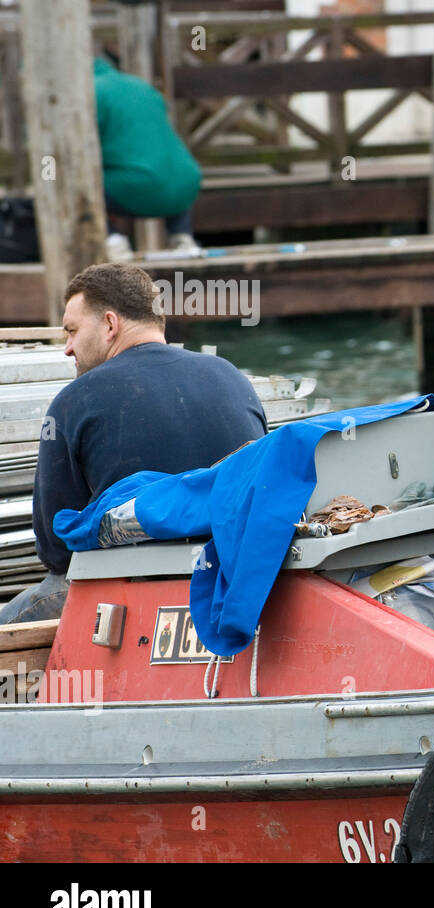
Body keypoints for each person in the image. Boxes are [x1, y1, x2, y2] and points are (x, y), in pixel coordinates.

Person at [0, 264, 267, 624]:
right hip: (233, 572)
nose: (67, 349)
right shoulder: (232, 376)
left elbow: (57, 552)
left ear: (110, 324)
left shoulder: (74, 400)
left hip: (130, 585)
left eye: (73, 331)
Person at [93, 56, 203, 260]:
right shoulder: (140, 85)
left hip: (138, 187)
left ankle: (112, 239)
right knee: (170, 172)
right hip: (188, 183)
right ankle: (182, 236)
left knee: (74, 183)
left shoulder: (90, 90)